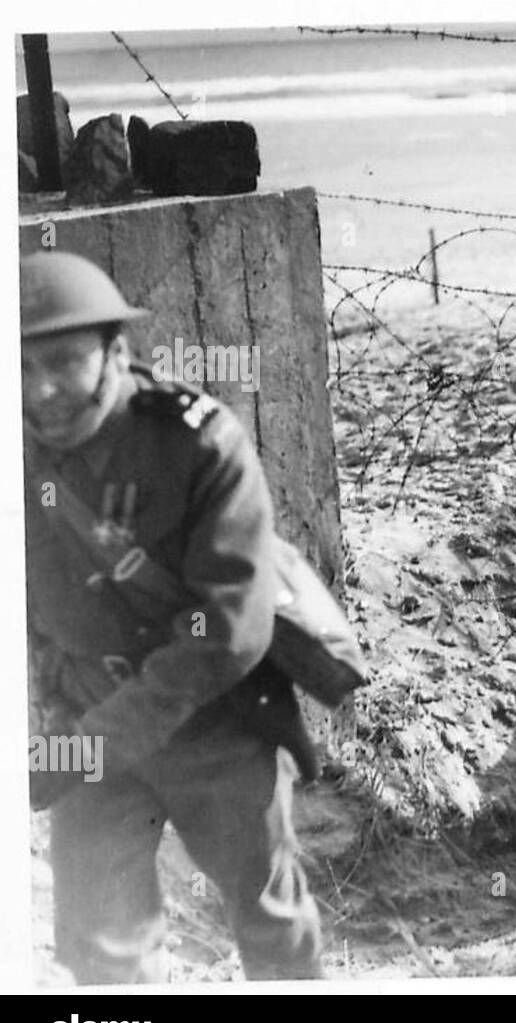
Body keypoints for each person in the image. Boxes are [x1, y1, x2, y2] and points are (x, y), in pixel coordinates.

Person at [21, 249, 322, 982]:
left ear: (114, 351)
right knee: (101, 948)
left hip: (213, 722)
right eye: (21, 366)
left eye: (64, 360)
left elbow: (229, 627)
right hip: (81, 720)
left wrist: (89, 741)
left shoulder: (196, 442)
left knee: (269, 920)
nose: (43, 389)